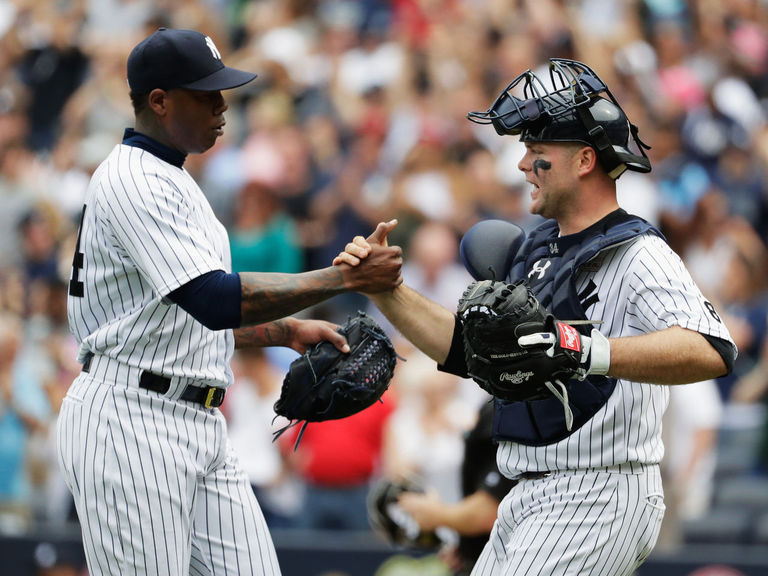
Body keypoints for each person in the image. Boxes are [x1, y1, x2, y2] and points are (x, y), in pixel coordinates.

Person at [336, 58, 737, 576]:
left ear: (586, 160)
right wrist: (388, 292)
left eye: (537, 150)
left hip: (598, 487)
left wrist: (579, 347)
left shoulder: (638, 251)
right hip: (527, 490)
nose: (524, 164)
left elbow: (711, 349)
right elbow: (469, 353)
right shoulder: (537, 248)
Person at [56, 28, 402, 576]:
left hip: (195, 416)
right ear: (160, 101)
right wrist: (343, 279)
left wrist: (284, 332)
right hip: (130, 420)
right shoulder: (131, 179)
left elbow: (179, 317)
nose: (222, 107)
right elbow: (212, 299)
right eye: (205, 95)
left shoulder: (174, 179)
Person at [396, 401, 517, 576]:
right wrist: (467, 545)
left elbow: (489, 512)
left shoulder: (511, 409)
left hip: (512, 559)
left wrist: (435, 514)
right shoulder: (493, 405)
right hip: (490, 554)